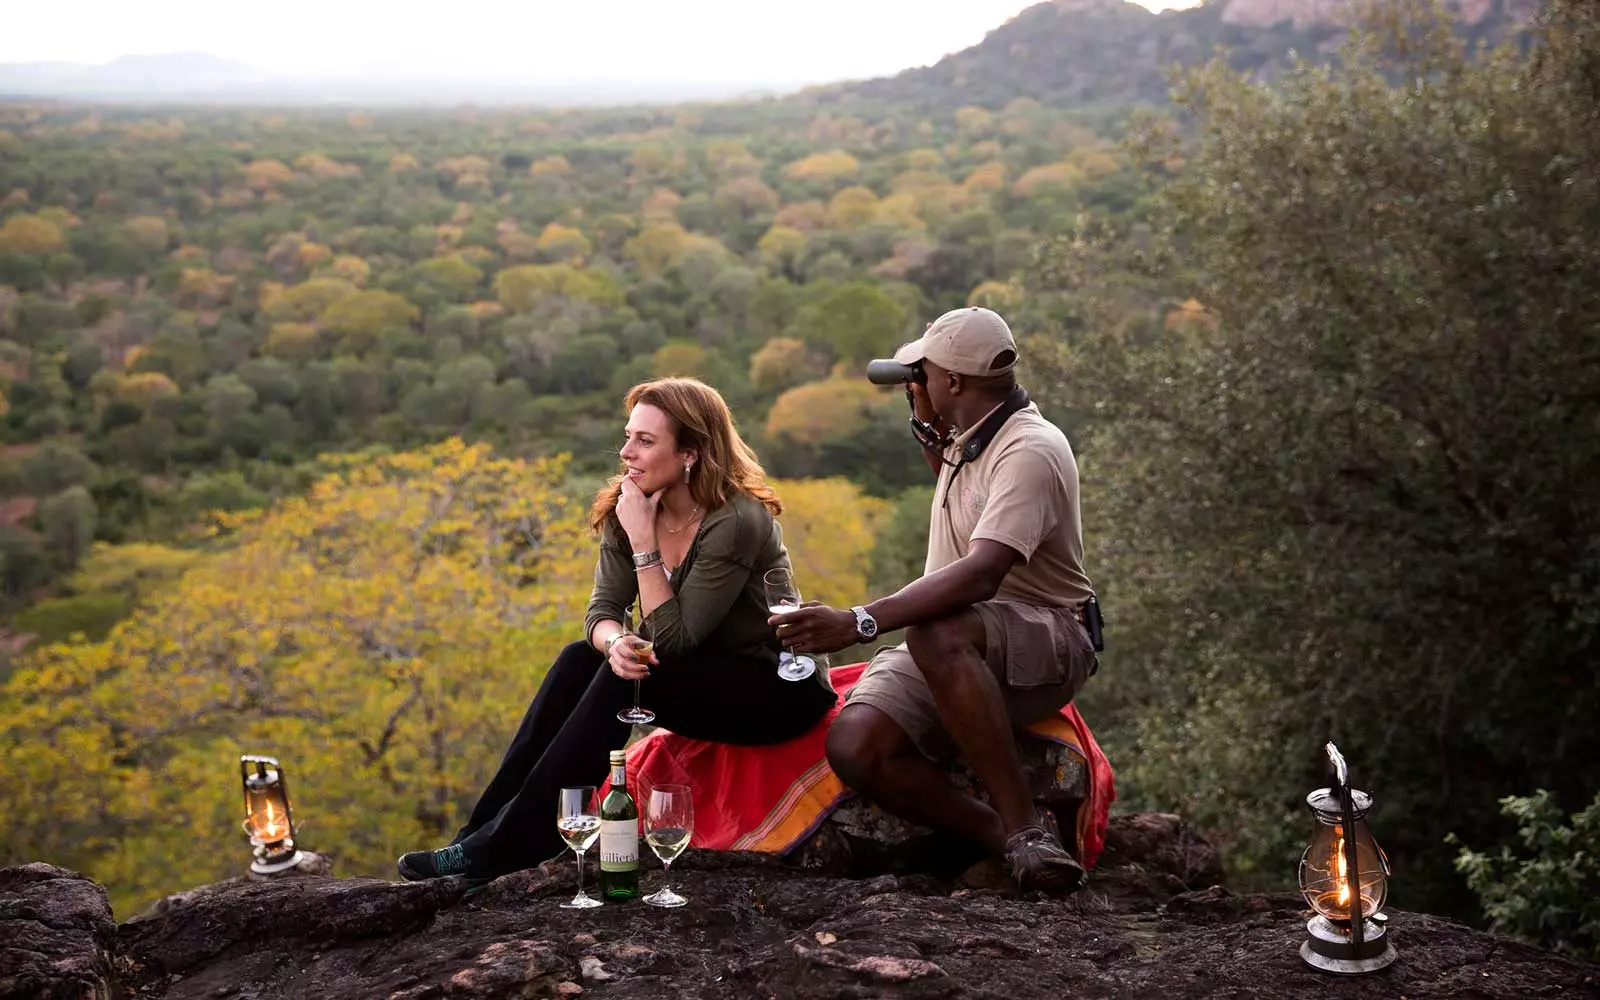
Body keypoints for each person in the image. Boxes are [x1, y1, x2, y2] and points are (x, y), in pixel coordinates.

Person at [399, 377, 836, 884]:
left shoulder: (736, 520)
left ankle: (506, 850)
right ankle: (473, 840)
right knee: (578, 659)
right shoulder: (626, 506)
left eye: (646, 441)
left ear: (691, 452)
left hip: (773, 688)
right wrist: (614, 642)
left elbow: (675, 641)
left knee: (628, 678)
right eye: (628, 436)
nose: (627, 452)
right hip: (695, 677)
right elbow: (601, 613)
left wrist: (644, 543)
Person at [770, 306, 1098, 895]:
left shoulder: (1029, 450)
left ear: (953, 382)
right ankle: (1006, 838)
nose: (912, 383)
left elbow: (982, 574)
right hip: (969, 637)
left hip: (1051, 636)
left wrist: (860, 621)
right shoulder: (967, 437)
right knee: (856, 743)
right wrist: (928, 426)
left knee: (933, 632)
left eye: (920, 373)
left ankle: (1025, 831)